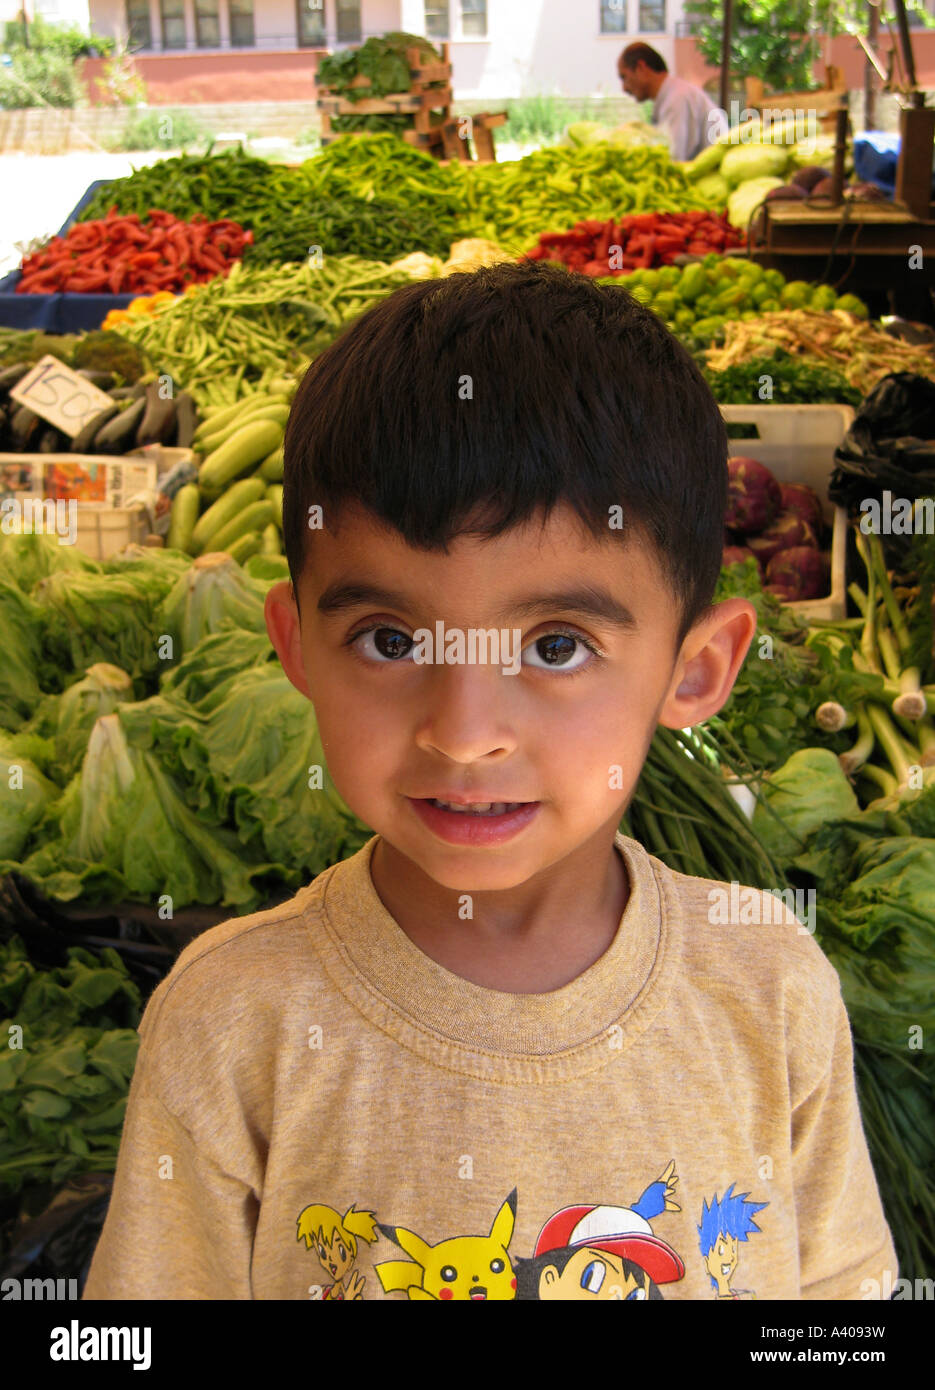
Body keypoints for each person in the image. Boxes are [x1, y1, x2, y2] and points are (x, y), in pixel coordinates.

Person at [82, 263, 897, 1301]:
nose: (462, 734)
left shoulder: (768, 983)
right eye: (387, 638)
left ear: (694, 672)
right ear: (294, 646)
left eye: (555, 647)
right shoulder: (232, 1024)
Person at [618, 41, 727, 162]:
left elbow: (673, 160)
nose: (624, 88)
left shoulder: (677, 99)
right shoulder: (672, 96)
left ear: (641, 68)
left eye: (624, 77)